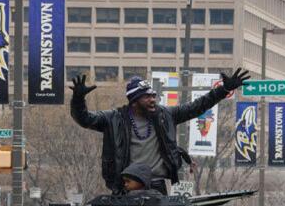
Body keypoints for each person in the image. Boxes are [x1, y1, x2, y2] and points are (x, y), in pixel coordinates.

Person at [69, 69, 251, 194]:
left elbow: (197, 107)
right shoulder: (113, 118)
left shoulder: (165, 115)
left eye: (153, 96)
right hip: (126, 187)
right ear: (134, 100)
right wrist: (78, 99)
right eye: (147, 96)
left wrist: (224, 90)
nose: (152, 99)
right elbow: (84, 119)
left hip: (157, 187)